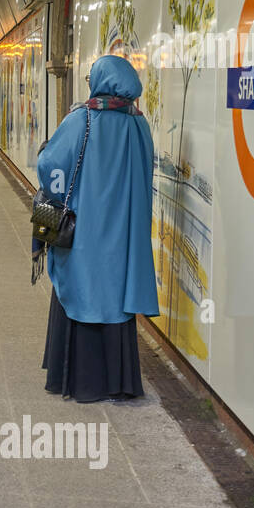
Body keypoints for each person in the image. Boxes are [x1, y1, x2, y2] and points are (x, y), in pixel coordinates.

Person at [35, 54, 158, 402]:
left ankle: (79, 381)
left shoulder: (82, 119)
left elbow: (49, 165)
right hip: (123, 238)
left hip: (84, 235)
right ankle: (117, 382)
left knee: (82, 292)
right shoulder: (138, 125)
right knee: (114, 299)